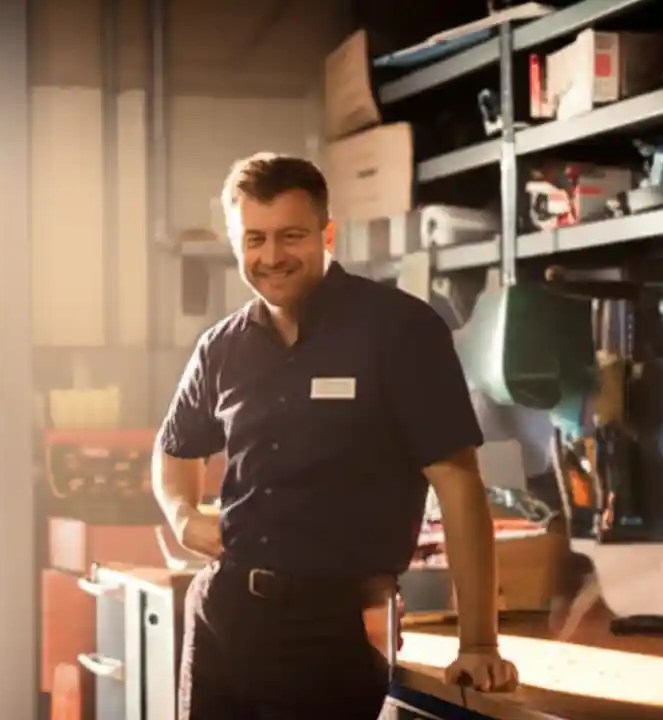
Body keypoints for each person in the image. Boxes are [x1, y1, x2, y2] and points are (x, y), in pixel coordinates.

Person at [152, 153, 518, 719]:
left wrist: (478, 644)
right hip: (222, 618)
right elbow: (173, 448)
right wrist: (181, 515)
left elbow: (459, 483)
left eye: (291, 236)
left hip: (331, 631)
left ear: (327, 234)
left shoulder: (400, 331)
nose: (271, 257)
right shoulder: (222, 347)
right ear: (236, 244)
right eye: (254, 239)